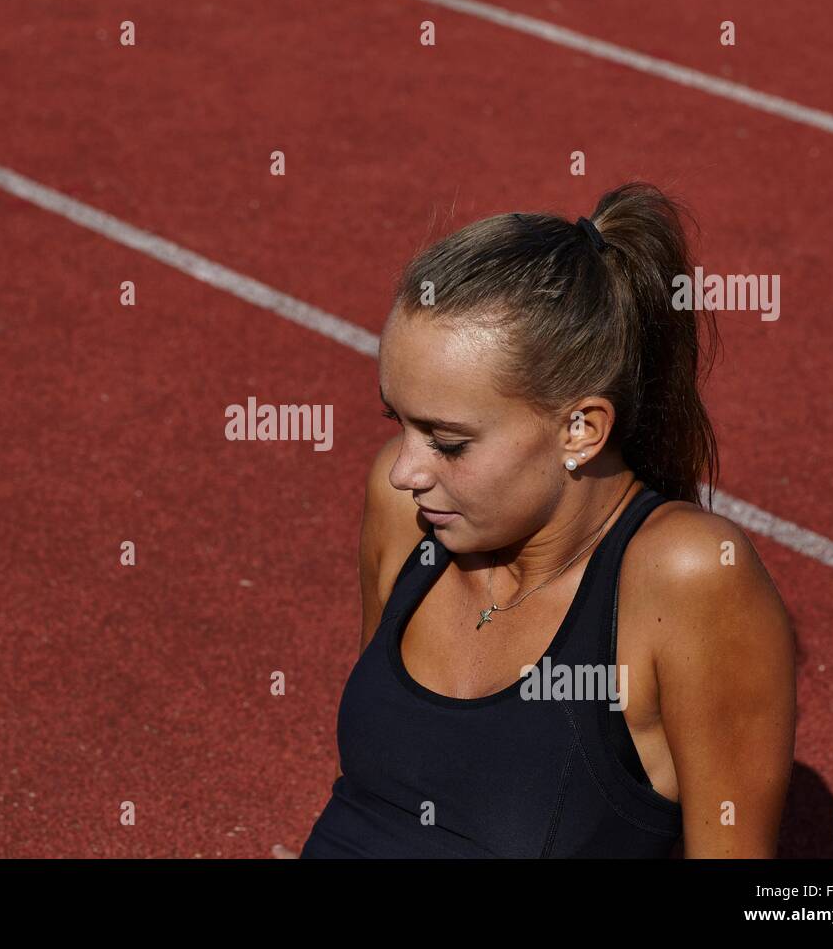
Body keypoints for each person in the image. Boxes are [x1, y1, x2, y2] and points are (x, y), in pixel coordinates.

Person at [293, 183, 796, 858]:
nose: (403, 471)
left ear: (581, 430)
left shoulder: (684, 576)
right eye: (399, 423)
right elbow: (370, 788)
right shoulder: (409, 515)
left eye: (448, 442)